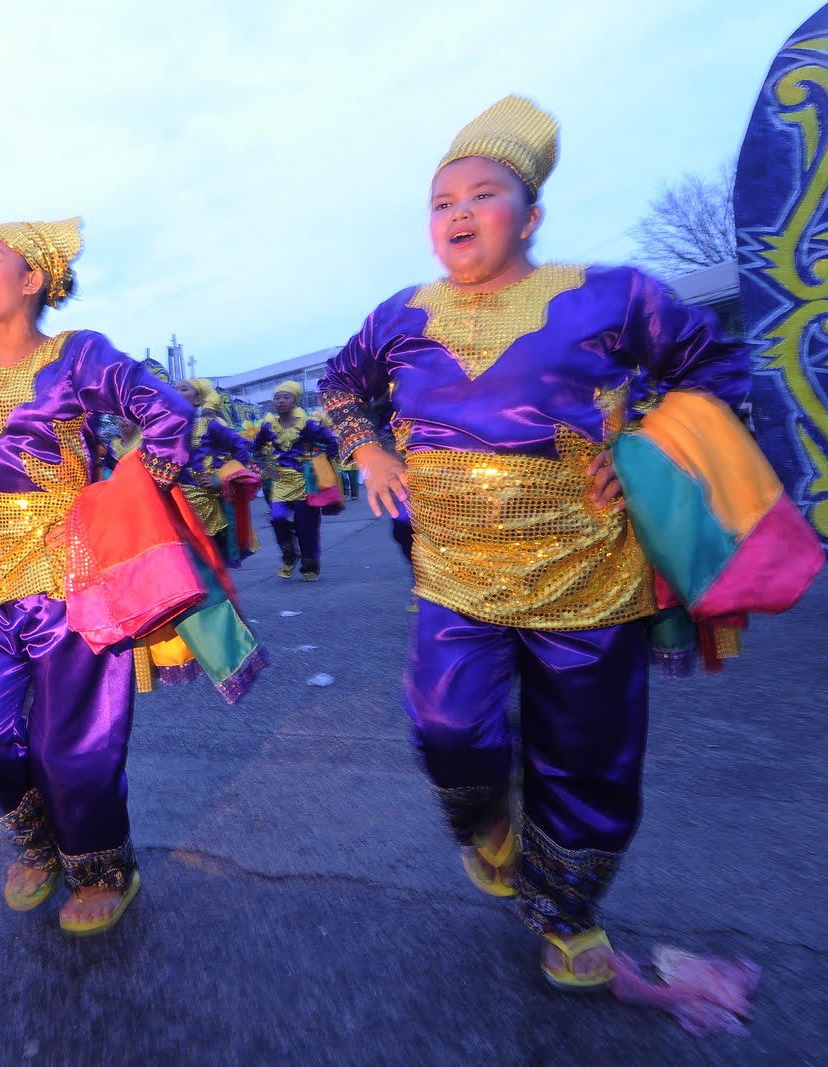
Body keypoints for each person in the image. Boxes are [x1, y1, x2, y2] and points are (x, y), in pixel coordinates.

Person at [320, 96, 750, 990]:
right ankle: (487, 824)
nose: (460, 214)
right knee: (448, 727)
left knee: (587, 754)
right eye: (442, 203)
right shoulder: (400, 314)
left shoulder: (612, 292)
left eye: (483, 194)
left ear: (533, 215)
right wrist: (366, 444)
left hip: (590, 564)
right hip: (452, 569)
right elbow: (343, 384)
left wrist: (651, 453)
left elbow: (711, 366)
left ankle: (567, 914)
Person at [0, 216, 192, 936]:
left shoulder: (77, 354)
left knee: (71, 748)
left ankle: (102, 865)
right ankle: (36, 837)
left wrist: (124, 511)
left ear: (30, 281)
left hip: (71, 579)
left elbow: (166, 412)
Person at [252, 381, 337, 580]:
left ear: (296, 401)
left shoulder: (307, 425)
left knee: (306, 525)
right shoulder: (268, 426)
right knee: (278, 518)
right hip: (281, 480)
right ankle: (290, 556)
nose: (281, 401)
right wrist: (268, 469)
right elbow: (256, 449)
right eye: (277, 398)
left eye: (286, 397)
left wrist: (318, 463)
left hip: (304, 481)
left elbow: (331, 441)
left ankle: (310, 567)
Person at [177, 378, 256, 566]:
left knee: (208, 558)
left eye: (183, 389)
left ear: (197, 399)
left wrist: (220, 478)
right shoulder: (167, 428)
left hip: (206, 499)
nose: (176, 392)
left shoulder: (209, 425)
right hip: (178, 498)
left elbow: (242, 449)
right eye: (174, 389)